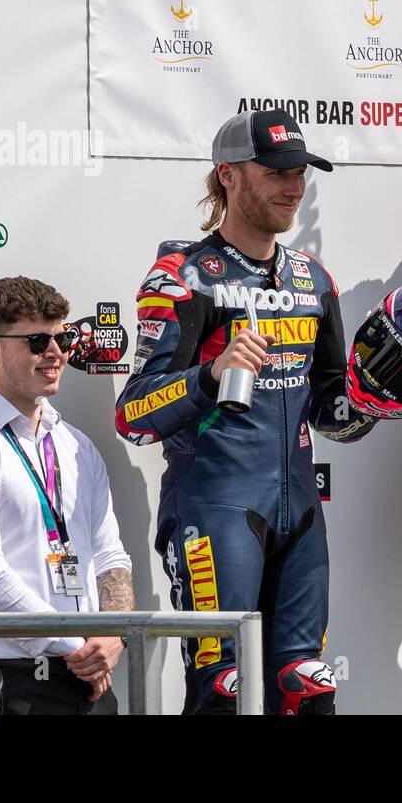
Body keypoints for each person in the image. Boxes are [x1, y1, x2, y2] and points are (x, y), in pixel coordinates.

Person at [115, 107, 378, 715]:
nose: (293, 186)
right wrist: (210, 375)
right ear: (227, 176)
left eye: (300, 172)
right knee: (225, 696)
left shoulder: (315, 282)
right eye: (276, 171)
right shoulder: (183, 278)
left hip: (301, 515)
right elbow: (134, 414)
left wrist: (379, 399)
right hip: (214, 510)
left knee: (307, 694)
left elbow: (330, 406)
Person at [0, 276, 134, 715]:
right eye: (37, 341)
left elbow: (110, 555)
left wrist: (113, 635)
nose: (55, 353)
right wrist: (78, 647)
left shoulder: (77, 445)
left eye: (63, 337)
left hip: (93, 682)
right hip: (14, 682)